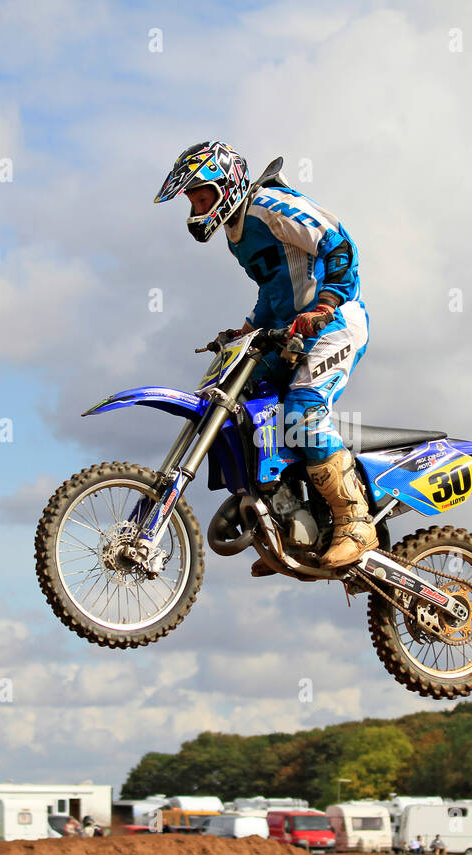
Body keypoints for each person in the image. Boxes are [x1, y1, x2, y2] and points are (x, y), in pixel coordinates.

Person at [155, 141, 375, 572]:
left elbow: (340, 245)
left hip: (334, 324)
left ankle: (355, 522)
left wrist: (326, 304)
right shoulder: (237, 235)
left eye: (203, 196)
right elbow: (276, 290)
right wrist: (246, 329)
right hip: (289, 334)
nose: (198, 208)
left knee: (301, 413)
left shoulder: (270, 206)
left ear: (226, 185)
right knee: (246, 406)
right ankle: (287, 518)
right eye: (193, 200)